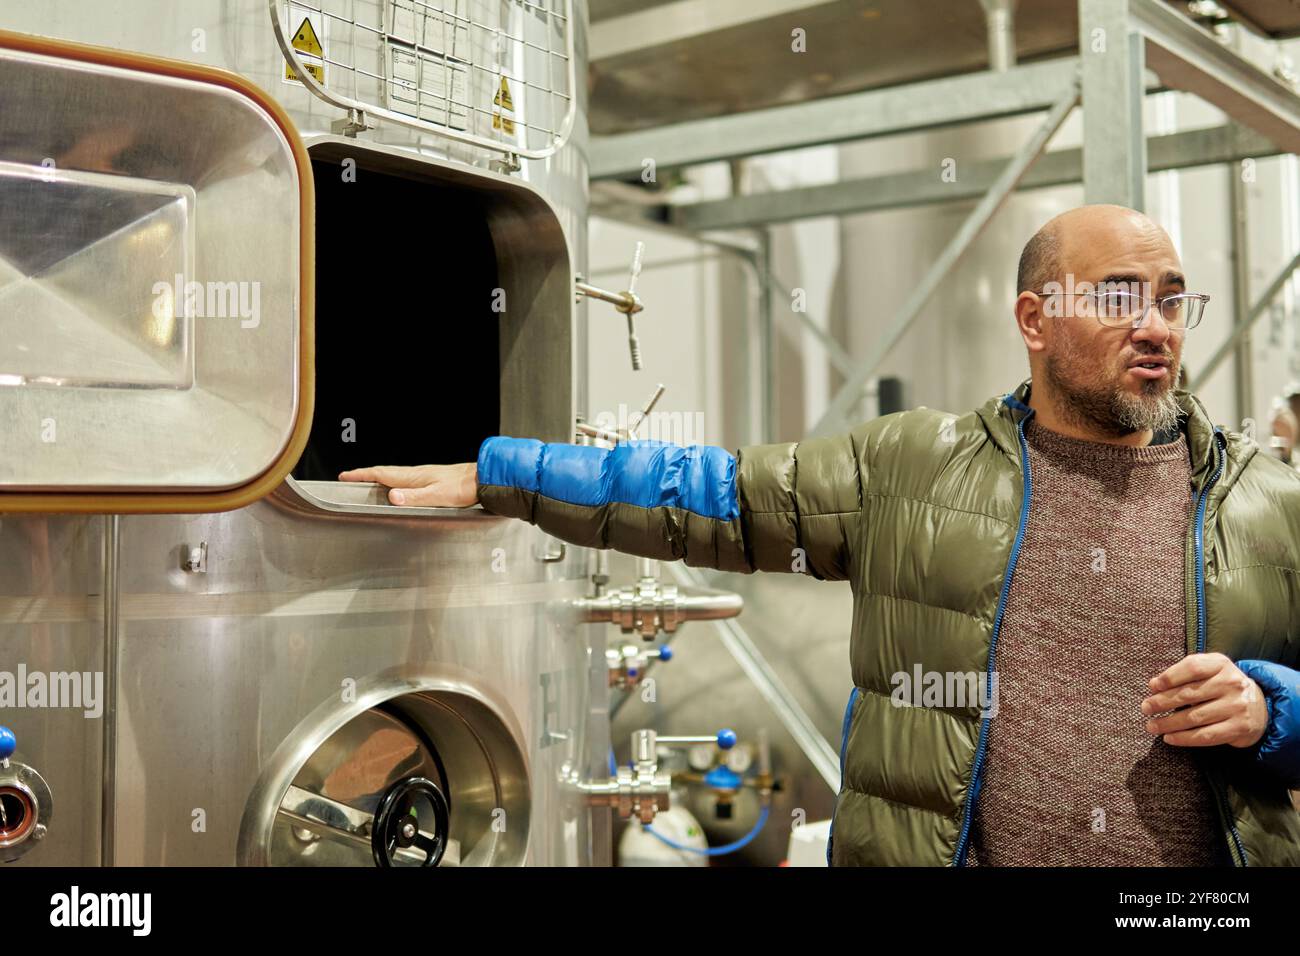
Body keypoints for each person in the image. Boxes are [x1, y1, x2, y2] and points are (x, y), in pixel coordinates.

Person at [341, 204, 1300, 866]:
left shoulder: (1268, 501)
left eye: (1173, 299)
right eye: (1120, 296)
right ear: (1034, 320)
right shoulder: (913, 468)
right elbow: (702, 491)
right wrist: (501, 473)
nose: (1158, 328)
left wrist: (1275, 712)